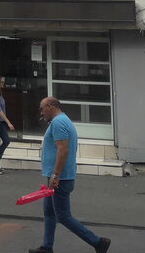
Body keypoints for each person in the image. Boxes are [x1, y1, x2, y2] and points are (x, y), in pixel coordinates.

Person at [29, 97, 111, 253]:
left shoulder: (59, 123)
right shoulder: (62, 120)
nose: (41, 112)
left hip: (60, 178)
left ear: (51, 106)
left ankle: (98, 242)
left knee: (63, 216)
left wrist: (55, 175)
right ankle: (47, 247)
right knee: (49, 211)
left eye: (42, 108)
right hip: (58, 176)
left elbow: (63, 150)